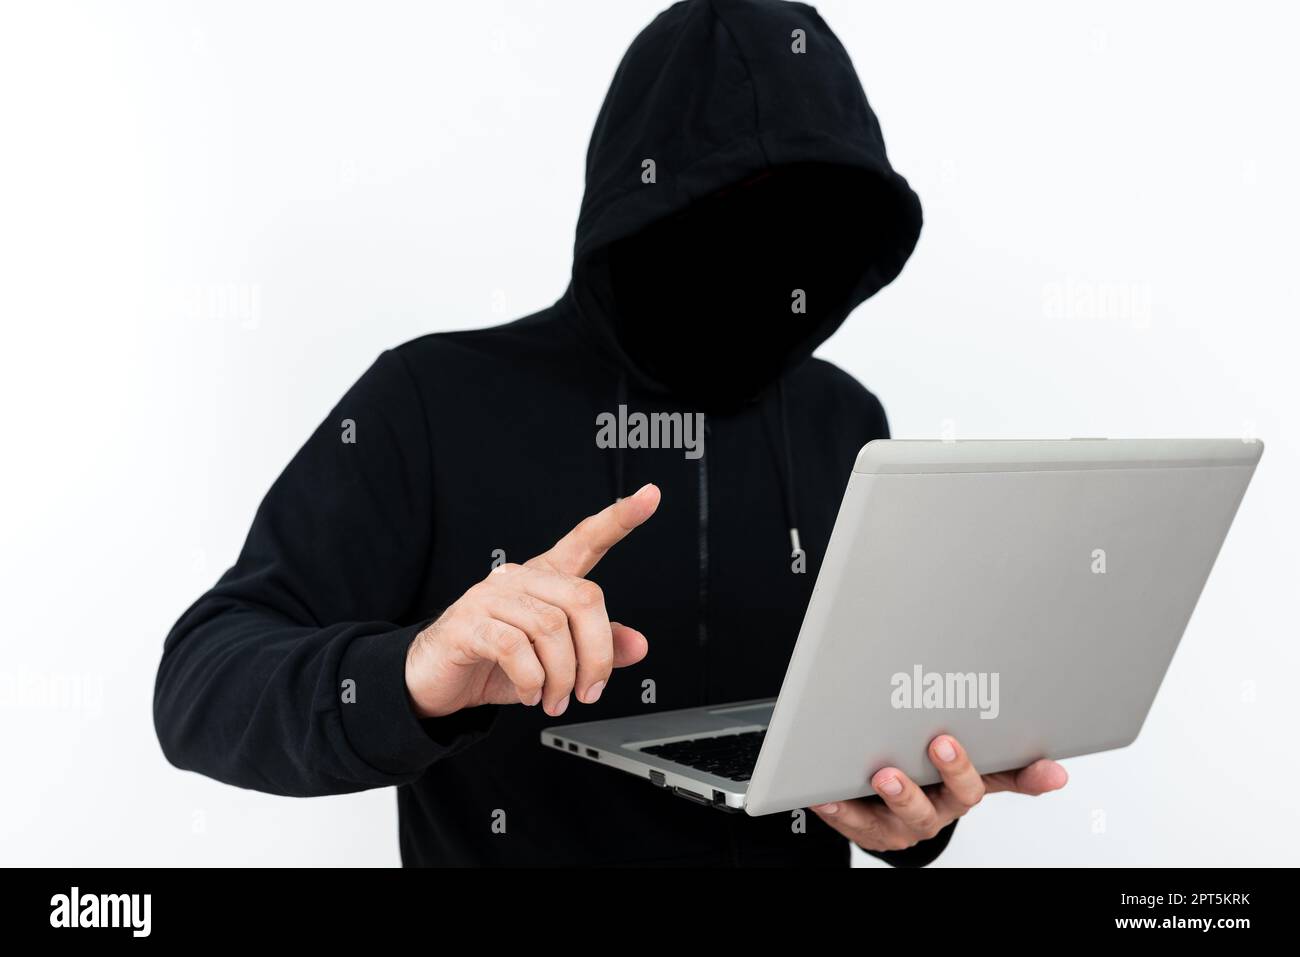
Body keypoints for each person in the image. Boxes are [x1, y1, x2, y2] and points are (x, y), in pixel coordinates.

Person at [154, 0, 1066, 867]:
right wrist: (415, 670)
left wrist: (914, 816)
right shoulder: (427, 400)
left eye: (799, 207)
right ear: (645, 201)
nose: (760, 248)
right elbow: (201, 684)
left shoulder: (847, 421)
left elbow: (877, 734)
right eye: (726, 204)